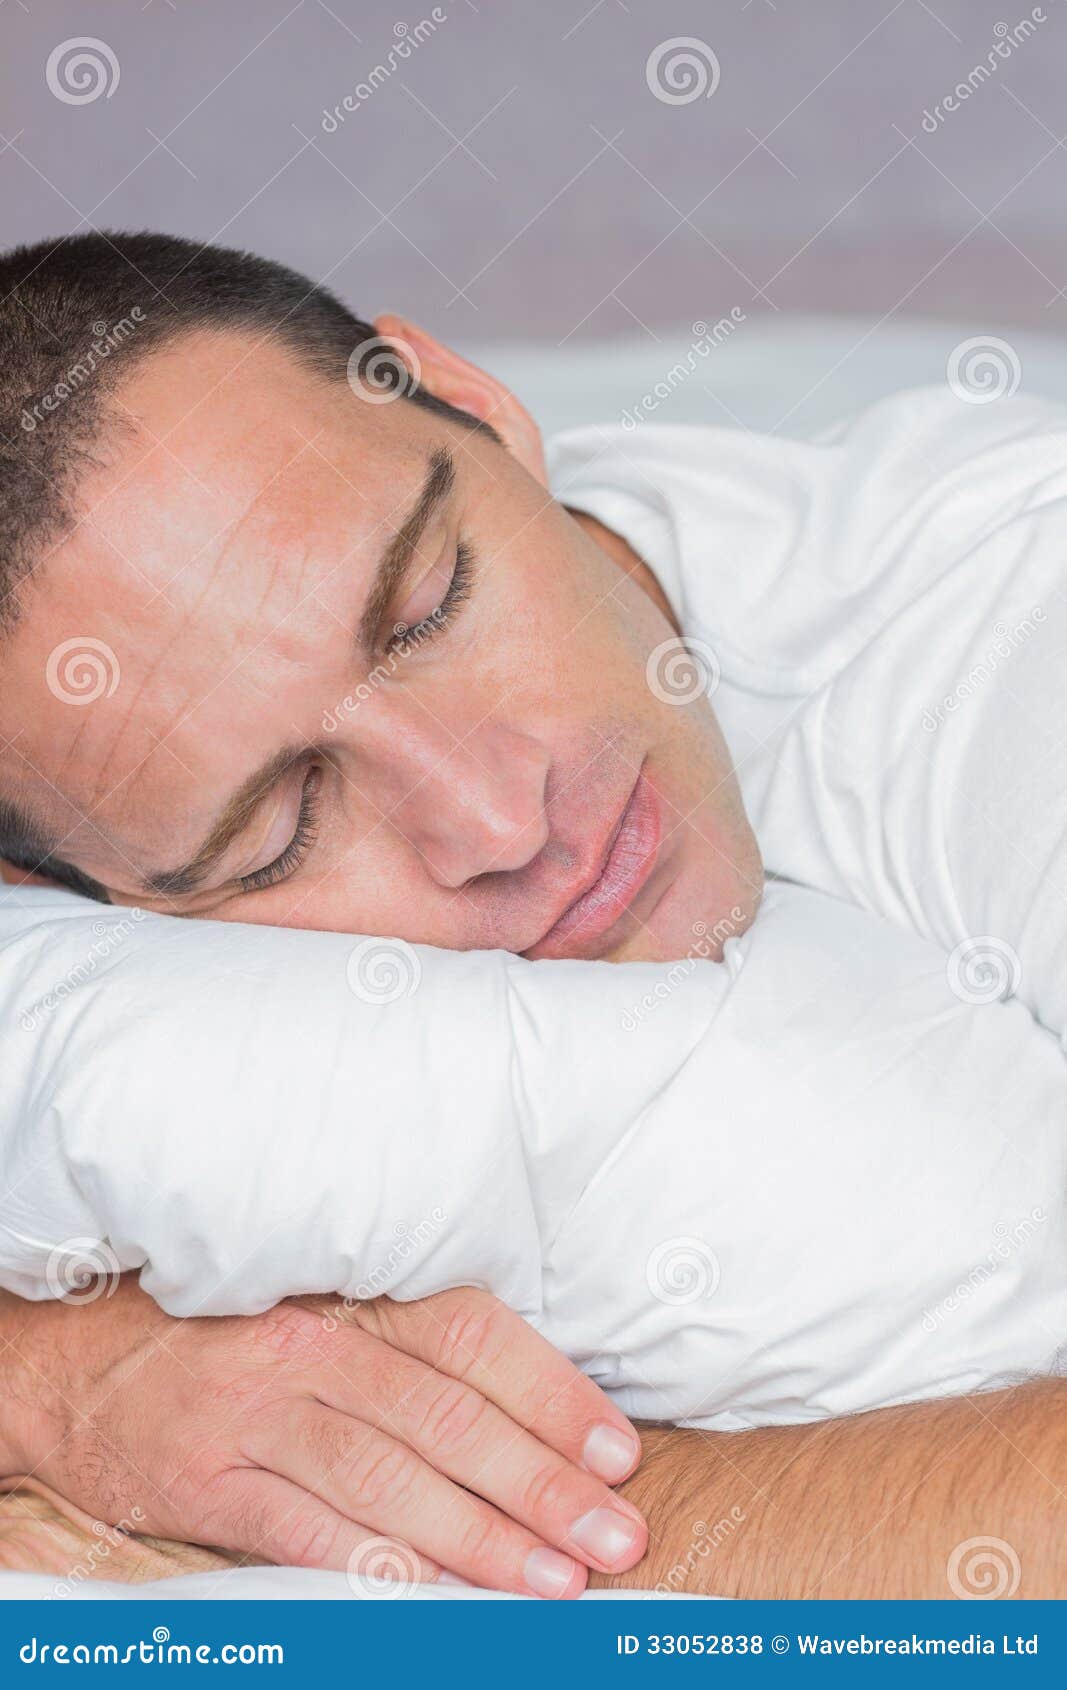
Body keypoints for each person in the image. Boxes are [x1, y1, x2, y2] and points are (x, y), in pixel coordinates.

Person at [0, 233, 1062, 1597]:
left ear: (475, 403)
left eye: (427, 609)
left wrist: (539, 1510)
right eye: (280, 830)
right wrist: (55, 1379)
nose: (499, 818)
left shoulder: (1014, 634)